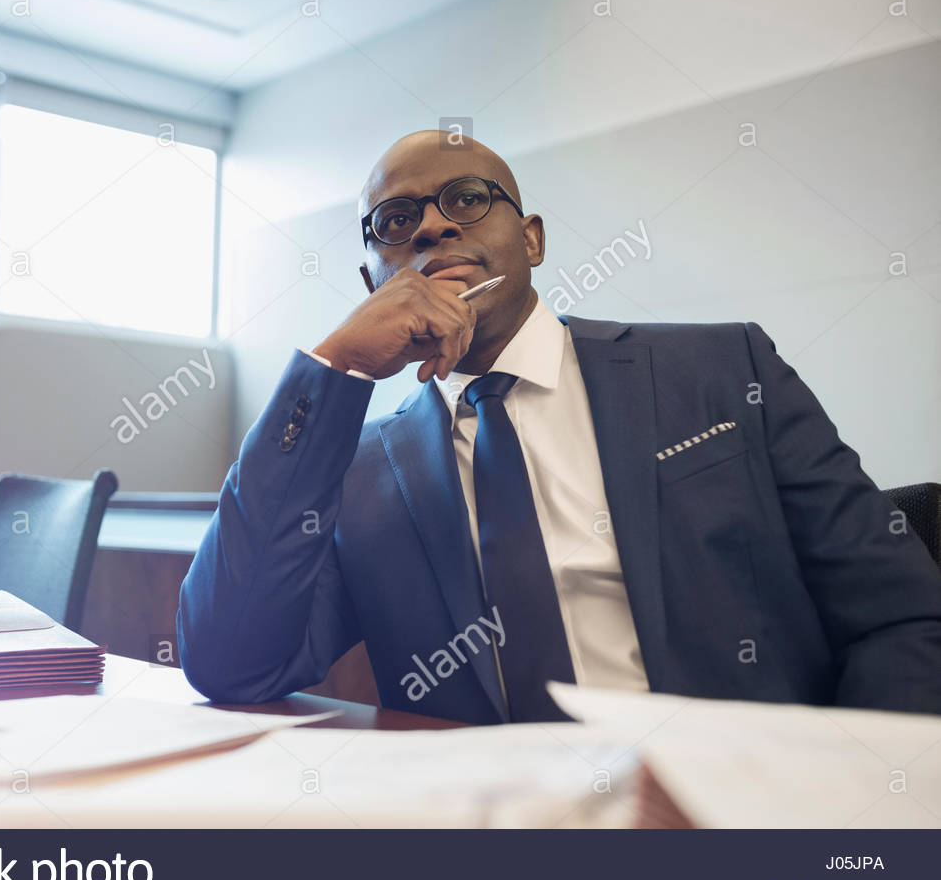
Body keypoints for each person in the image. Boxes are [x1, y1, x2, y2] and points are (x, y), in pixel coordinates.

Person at [178, 130, 941, 724]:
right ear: (371, 280)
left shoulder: (720, 367)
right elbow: (233, 664)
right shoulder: (358, 471)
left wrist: (853, 815)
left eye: (468, 198)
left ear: (533, 239)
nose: (432, 228)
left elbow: (901, 616)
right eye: (395, 220)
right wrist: (330, 365)